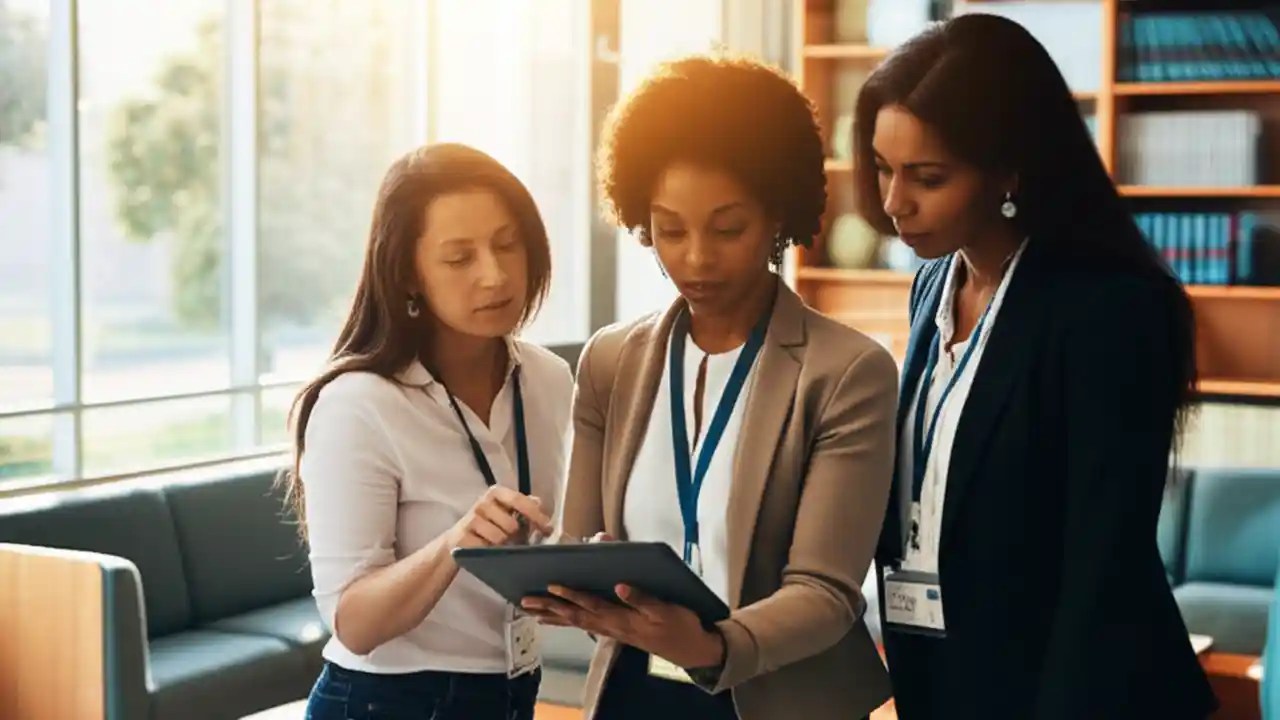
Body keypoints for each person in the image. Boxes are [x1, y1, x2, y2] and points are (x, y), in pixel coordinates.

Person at [855, 14, 1217, 719]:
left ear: (1009, 170)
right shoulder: (935, 282)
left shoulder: (1111, 308)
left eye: (927, 177)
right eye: (882, 168)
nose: (896, 203)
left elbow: (1100, 563)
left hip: (1078, 692)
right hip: (951, 676)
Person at [520, 54, 899, 720]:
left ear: (778, 214)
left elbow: (826, 591)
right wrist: (579, 581)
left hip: (777, 698)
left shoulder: (846, 372)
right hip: (633, 693)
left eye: (728, 229)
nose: (695, 258)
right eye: (670, 230)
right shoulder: (610, 360)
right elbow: (580, 544)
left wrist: (707, 644)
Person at [280, 143, 573, 719]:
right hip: (388, 701)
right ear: (409, 274)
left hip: (514, 688)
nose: (494, 275)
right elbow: (354, 623)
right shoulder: (357, 405)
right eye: (459, 258)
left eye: (507, 244)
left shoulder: (548, 378)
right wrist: (454, 545)